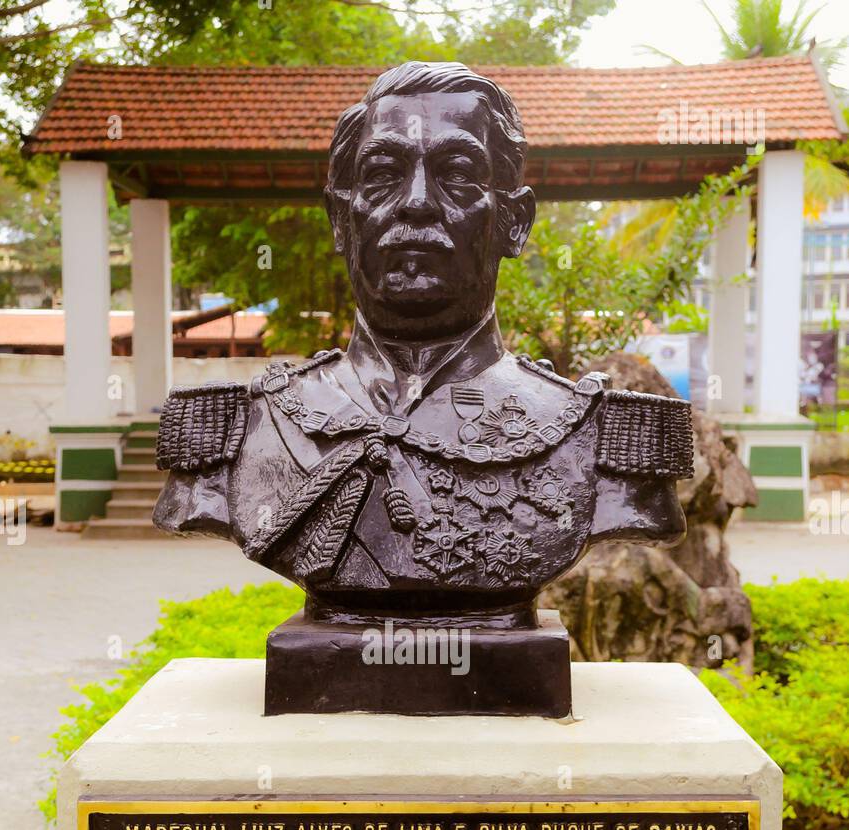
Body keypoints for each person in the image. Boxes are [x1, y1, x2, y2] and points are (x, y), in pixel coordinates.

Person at [154, 60, 693, 628]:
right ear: (341, 218)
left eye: (457, 172)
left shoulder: (603, 435)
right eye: (383, 173)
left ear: (515, 220)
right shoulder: (237, 430)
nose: (416, 202)